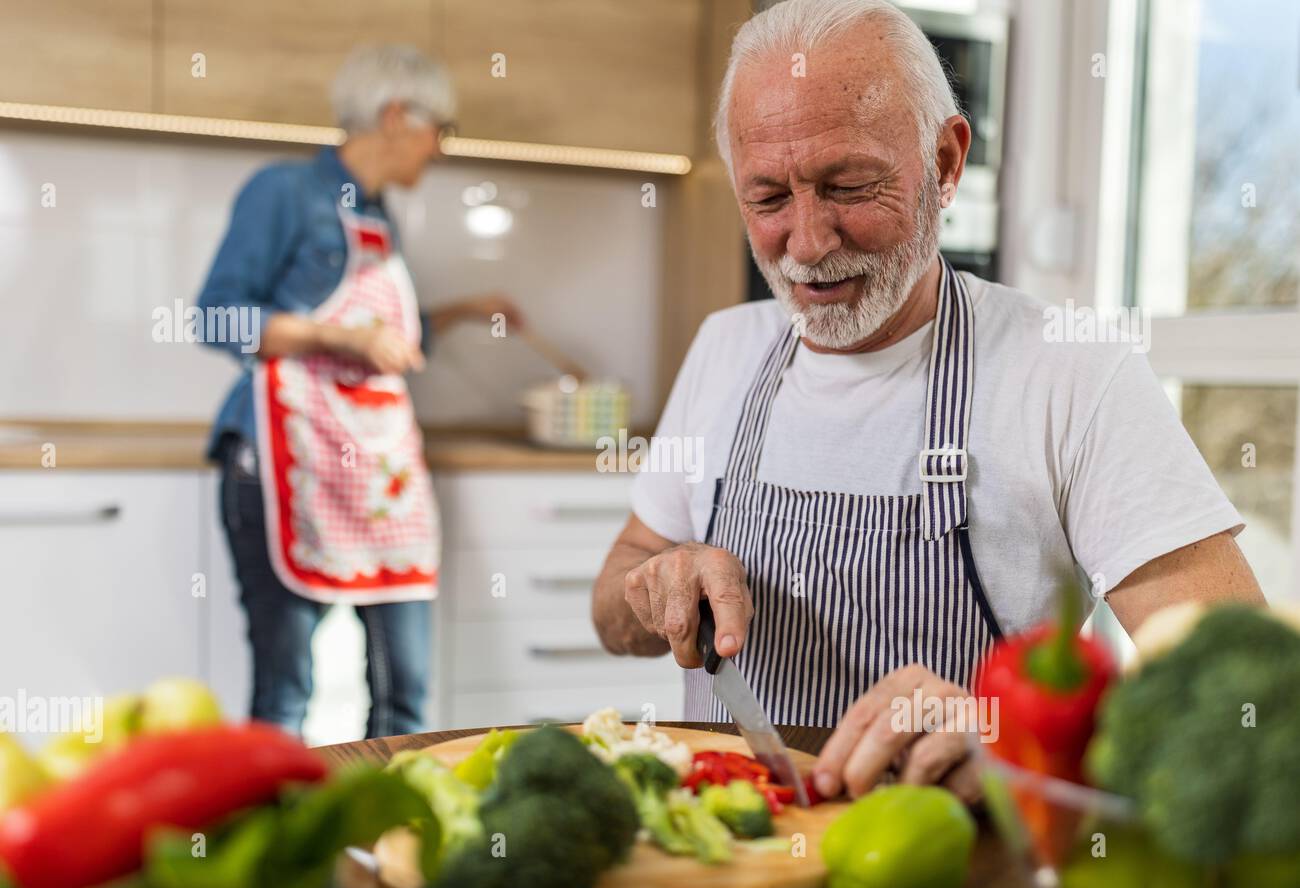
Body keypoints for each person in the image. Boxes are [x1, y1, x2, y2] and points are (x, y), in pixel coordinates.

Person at [591, 0, 1264, 802]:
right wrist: (659, 583)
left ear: (946, 162)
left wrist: (1007, 729)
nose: (807, 244)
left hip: (967, 870)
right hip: (740, 862)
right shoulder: (724, 349)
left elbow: (1245, 698)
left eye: (848, 186)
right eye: (767, 198)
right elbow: (612, 604)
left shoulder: (1073, 372)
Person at [198, 44, 522, 738]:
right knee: (287, 695)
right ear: (398, 116)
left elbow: (388, 342)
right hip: (282, 460)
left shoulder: (381, 217)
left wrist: (465, 310)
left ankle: (387, 842)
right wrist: (343, 339)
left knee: (406, 693)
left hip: (375, 473)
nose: (438, 149)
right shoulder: (283, 192)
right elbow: (217, 316)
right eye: (442, 128)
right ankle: (285, 845)